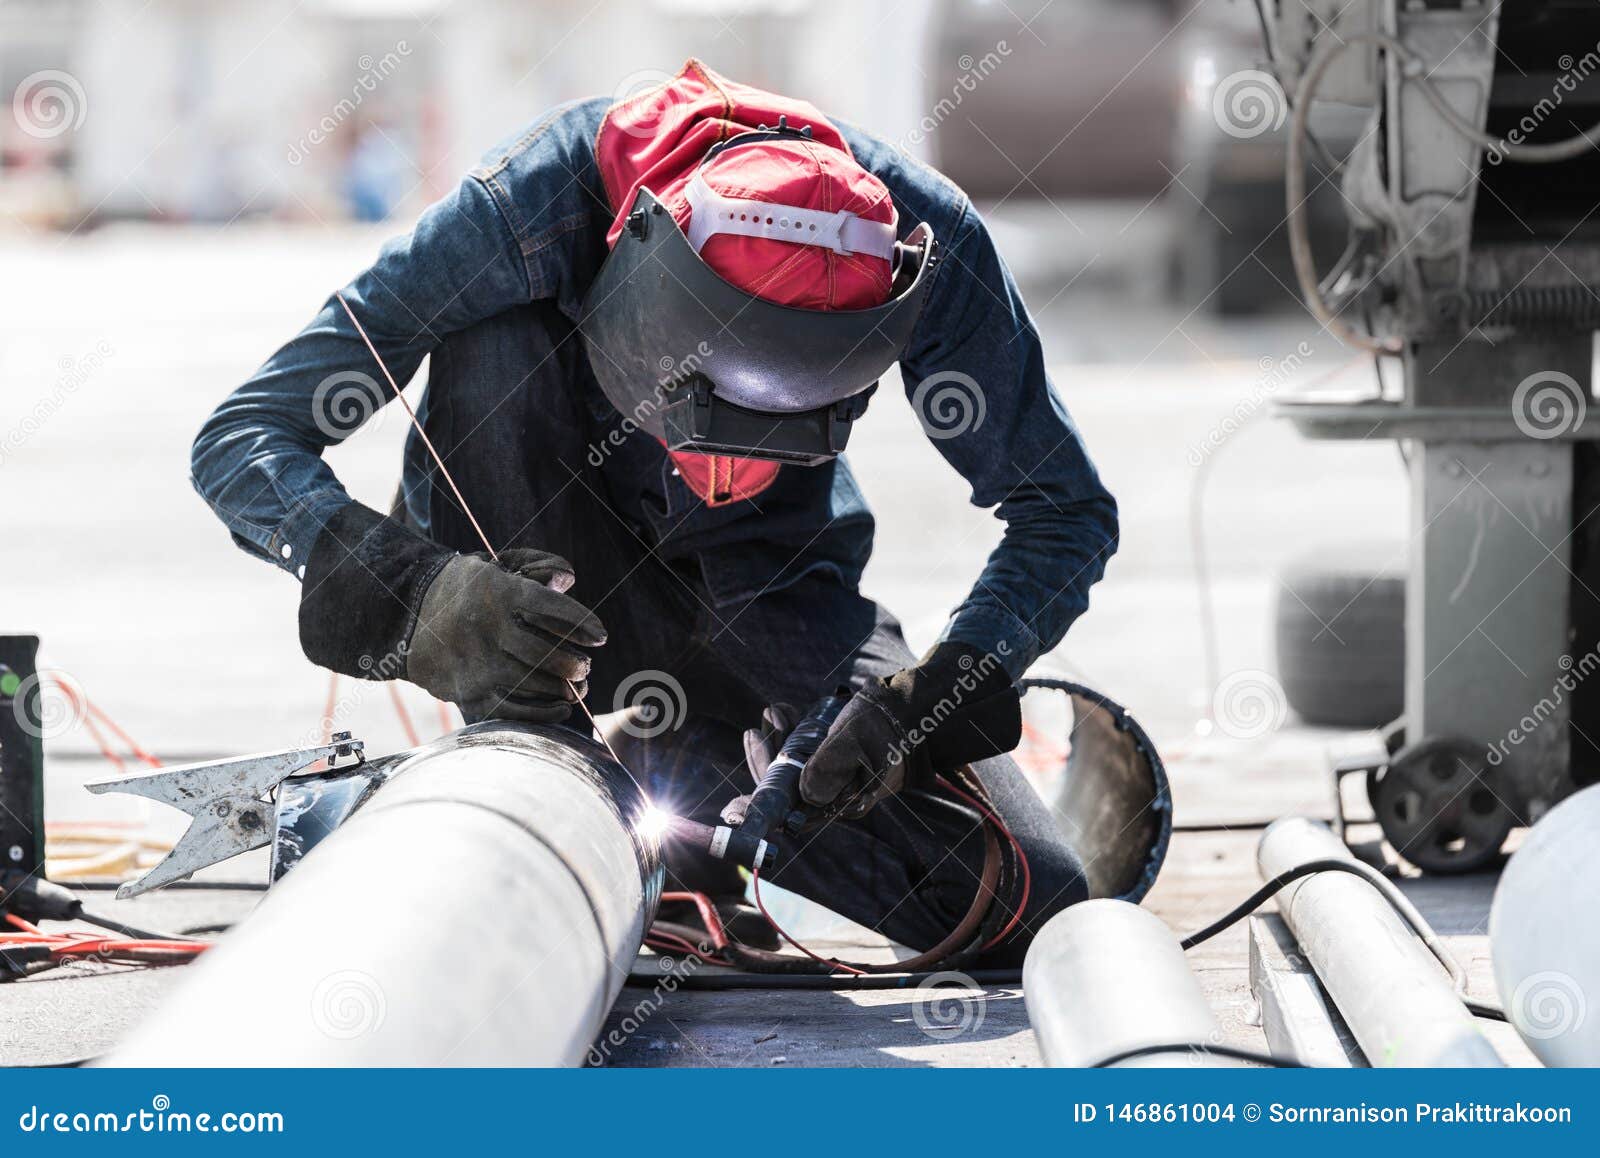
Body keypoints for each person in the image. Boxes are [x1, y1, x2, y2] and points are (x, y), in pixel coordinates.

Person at [190, 61, 1118, 965]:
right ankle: (540, 723)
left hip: (775, 581)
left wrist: (931, 699)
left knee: (1027, 903)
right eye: (710, 414)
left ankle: (687, 798)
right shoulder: (524, 207)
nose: (726, 469)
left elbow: (1063, 511)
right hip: (540, 564)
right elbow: (245, 438)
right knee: (495, 330)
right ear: (644, 264)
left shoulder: (923, 245)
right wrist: (421, 595)